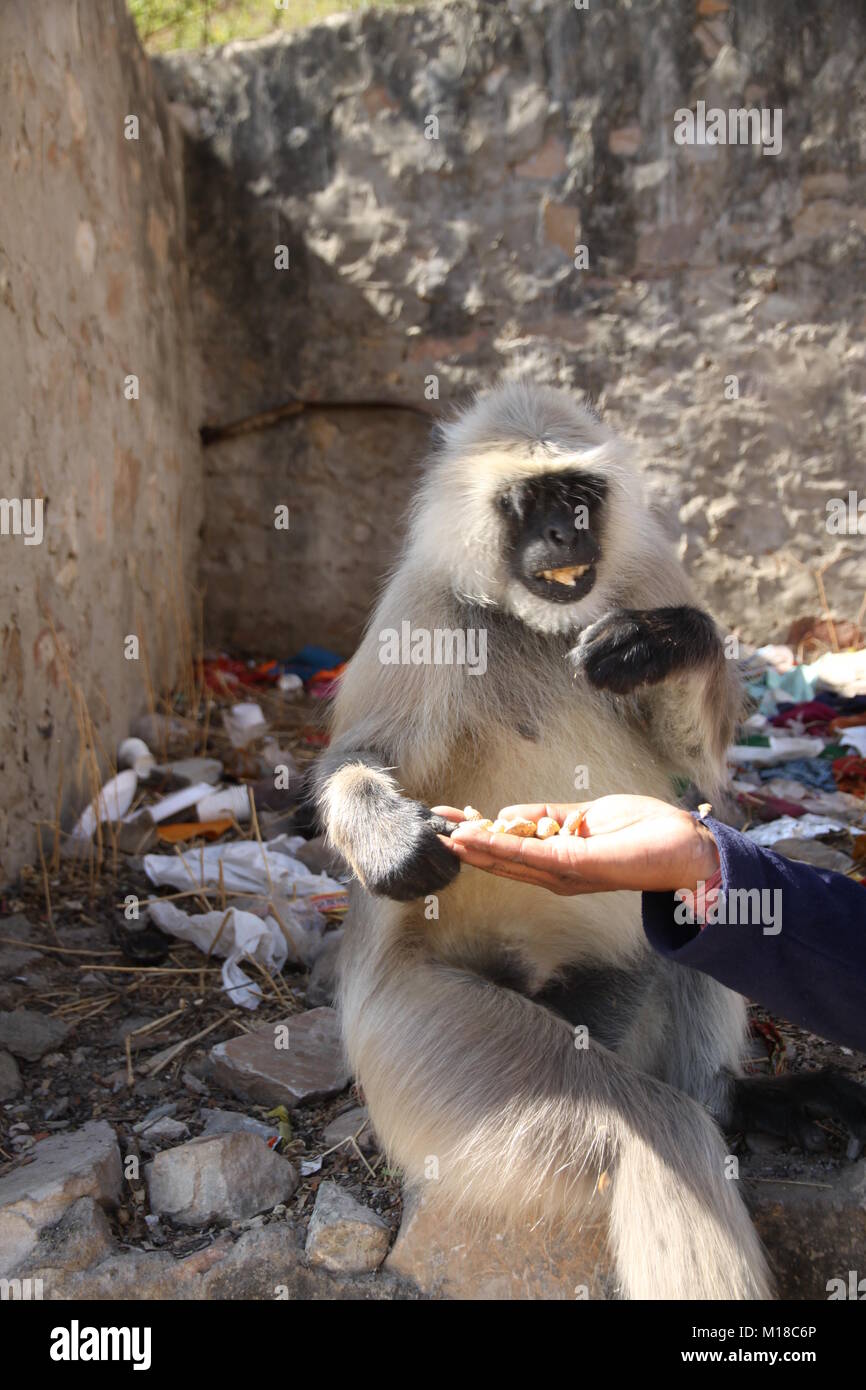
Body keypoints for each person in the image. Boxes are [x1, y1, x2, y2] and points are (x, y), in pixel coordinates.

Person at [435, 795, 866, 1053]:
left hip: (618, 968)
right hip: (462, 991)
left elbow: (700, 733)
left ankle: (717, 1088)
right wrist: (708, 863)